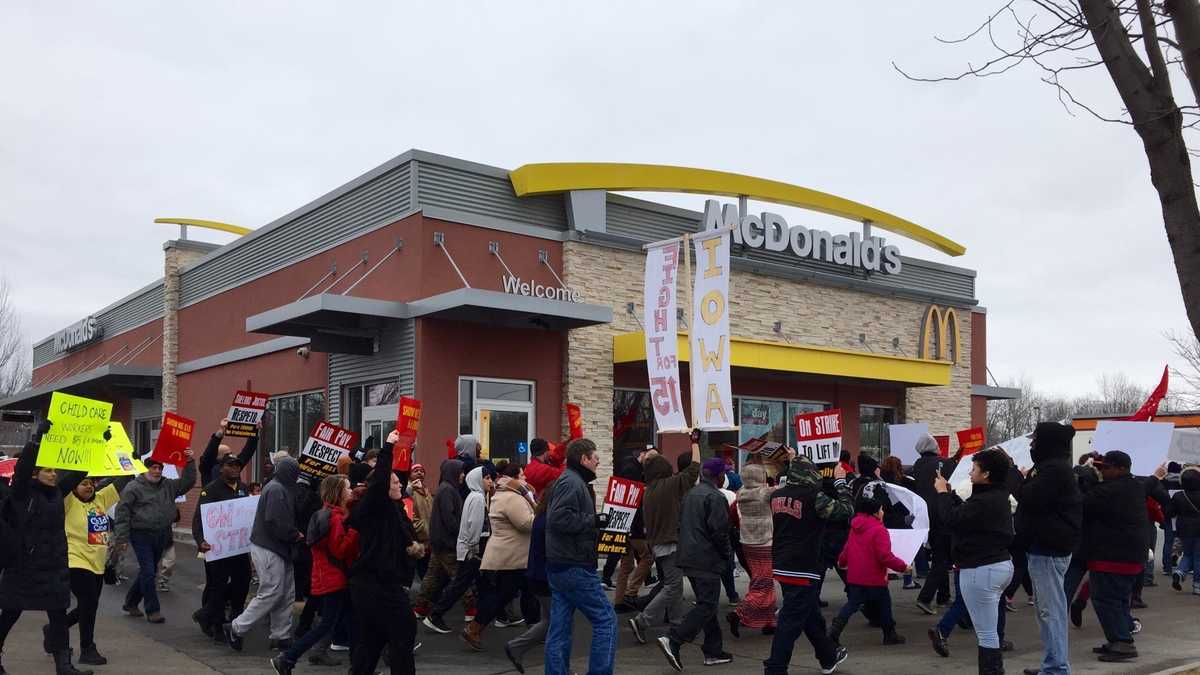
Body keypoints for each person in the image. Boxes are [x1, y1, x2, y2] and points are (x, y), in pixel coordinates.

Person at [0, 420, 93, 675]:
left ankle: (64, 665)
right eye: (48, 470)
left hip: (53, 566)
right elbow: (23, 469)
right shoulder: (21, 493)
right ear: (35, 473)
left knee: (58, 616)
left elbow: (78, 473)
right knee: (10, 613)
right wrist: (36, 441)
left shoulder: (56, 492)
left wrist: (97, 445)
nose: (54, 474)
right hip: (24, 566)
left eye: (54, 471)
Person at [763, 453, 852, 675]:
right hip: (805, 565)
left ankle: (827, 657)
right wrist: (841, 482)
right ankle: (775, 668)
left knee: (810, 615)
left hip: (783, 563)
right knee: (790, 621)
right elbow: (846, 511)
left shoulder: (777, 496)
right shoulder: (814, 496)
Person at [345, 430, 424, 674]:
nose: (401, 483)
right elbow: (381, 481)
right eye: (395, 483)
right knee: (402, 633)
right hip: (376, 584)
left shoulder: (392, 506)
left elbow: (394, 475)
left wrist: (407, 449)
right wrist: (388, 447)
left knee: (372, 642)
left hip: (378, 584)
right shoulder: (373, 506)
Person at [933, 448, 1014, 675]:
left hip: (981, 569)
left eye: (974, 468)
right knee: (990, 629)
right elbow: (966, 513)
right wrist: (949, 495)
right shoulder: (996, 496)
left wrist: (941, 494)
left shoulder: (986, 500)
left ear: (986, 473)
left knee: (986, 633)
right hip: (996, 566)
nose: (970, 473)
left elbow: (951, 519)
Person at [271, 474, 359, 674]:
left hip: (328, 576)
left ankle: (360, 666)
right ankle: (287, 657)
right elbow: (339, 550)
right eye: (347, 488)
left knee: (349, 620)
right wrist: (354, 532)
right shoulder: (336, 519)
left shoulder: (325, 514)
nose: (351, 490)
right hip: (335, 577)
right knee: (328, 623)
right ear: (338, 493)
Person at [1013, 422, 1081, 675]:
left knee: (1050, 611)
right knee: (1048, 611)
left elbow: (1031, 498)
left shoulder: (1054, 470)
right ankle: (1053, 663)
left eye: (1035, 440)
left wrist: (1016, 480)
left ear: (1047, 443)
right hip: (1043, 546)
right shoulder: (1049, 468)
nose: (1031, 445)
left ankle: (1057, 668)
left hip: (1049, 549)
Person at [544, 438, 616, 675]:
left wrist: (593, 520)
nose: (598, 462)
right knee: (606, 620)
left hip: (560, 564)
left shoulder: (571, 481)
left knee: (560, 627)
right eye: (595, 457)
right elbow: (558, 519)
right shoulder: (571, 483)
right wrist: (593, 521)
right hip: (573, 565)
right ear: (584, 459)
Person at [1079, 451, 1159, 663]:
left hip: (1112, 556)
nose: (1103, 471)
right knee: (1120, 600)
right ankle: (1119, 639)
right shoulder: (1134, 487)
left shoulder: (1110, 490)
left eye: (1106, 467)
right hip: (1130, 555)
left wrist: (1085, 476)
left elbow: (1083, 503)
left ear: (1121, 468)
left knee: (1106, 600)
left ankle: (1121, 641)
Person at [656, 457, 735, 670]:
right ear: (719, 476)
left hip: (689, 556)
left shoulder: (690, 494)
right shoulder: (715, 497)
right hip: (706, 557)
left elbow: (682, 525)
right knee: (707, 605)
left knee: (705, 604)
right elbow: (719, 532)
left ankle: (713, 650)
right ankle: (674, 638)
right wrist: (727, 555)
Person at [223, 456, 304, 651]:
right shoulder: (277, 490)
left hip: (276, 546)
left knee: (285, 593)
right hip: (270, 547)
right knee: (272, 591)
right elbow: (275, 521)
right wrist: (295, 535)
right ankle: (236, 627)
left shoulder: (277, 487)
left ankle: (280, 635)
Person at [628, 433, 701, 644]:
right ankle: (643, 621)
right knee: (673, 586)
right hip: (669, 544)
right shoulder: (668, 486)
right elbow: (694, 469)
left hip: (658, 544)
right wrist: (695, 442)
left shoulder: (650, 490)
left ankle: (678, 624)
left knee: (672, 585)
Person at [115, 450, 198, 624]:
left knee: (149, 570)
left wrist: (189, 461)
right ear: (145, 469)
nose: (157, 471)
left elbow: (188, 482)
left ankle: (130, 603)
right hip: (141, 534)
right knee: (148, 571)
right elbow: (122, 514)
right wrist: (121, 539)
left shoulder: (168, 485)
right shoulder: (133, 488)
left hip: (161, 534)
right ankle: (153, 610)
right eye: (153, 468)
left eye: (160, 468)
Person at [61, 468, 132, 667]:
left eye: (91, 483)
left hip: (98, 563)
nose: (89, 486)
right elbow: (63, 483)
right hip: (75, 560)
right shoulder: (68, 501)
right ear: (74, 486)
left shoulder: (100, 499)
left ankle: (56, 629)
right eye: (84, 483)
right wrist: (81, 465)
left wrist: (130, 463)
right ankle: (87, 649)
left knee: (89, 605)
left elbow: (122, 481)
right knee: (89, 603)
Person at [465, 462, 536, 650]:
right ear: (513, 478)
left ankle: (536, 628)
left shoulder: (512, 494)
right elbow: (526, 523)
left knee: (526, 592)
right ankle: (474, 628)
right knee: (500, 596)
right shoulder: (511, 497)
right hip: (509, 558)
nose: (525, 478)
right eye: (522, 475)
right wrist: (542, 516)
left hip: (514, 556)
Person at [828, 495, 908, 647]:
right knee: (884, 603)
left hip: (855, 576)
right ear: (875, 513)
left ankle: (834, 631)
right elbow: (885, 557)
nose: (883, 512)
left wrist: (841, 561)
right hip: (875, 577)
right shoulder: (879, 530)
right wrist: (903, 567)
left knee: (851, 604)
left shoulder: (855, 527)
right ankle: (889, 634)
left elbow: (847, 548)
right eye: (881, 510)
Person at [424, 464, 494, 633]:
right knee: (459, 585)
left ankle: (480, 617)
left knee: (464, 583)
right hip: (471, 550)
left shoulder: (473, 495)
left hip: (466, 548)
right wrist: (474, 548)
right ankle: (436, 615)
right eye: (487, 478)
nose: (490, 482)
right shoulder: (477, 498)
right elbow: (474, 525)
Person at [192, 454, 253, 641]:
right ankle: (215, 623)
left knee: (242, 583)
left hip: (239, 548)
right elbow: (198, 519)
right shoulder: (210, 490)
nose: (235, 469)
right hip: (217, 548)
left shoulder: (243, 489)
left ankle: (233, 622)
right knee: (217, 587)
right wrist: (200, 540)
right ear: (221, 468)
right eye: (231, 465)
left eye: (238, 466)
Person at [505, 479, 556, 674]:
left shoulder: (540, 517)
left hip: (537, 575)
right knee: (556, 623)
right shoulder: (547, 520)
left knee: (548, 620)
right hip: (545, 577)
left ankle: (516, 647)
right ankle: (517, 647)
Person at [727, 463, 776, 638]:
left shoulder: (740, 494)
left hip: (747, 543)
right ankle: (739, 614)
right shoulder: (764, 493)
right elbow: (784, 488)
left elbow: (732, 516)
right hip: (765, 543)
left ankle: (769, 622)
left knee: (760, 580)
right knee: (763, 583)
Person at [413, 459, 465, 618]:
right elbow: (449, 518)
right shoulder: (448, 490)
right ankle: (471, 610)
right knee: (461, 577)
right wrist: (460, 532)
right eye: (461, 472)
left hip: (438, 541)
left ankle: (420, 608)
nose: (463, 475)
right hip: (446, 542)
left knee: (433, 576)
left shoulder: (443, 489)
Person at [912, 434, 952, 613]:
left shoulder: (916, 467)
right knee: (942, 560)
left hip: (925, 516)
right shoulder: (945, 464)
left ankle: (943, 597)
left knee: (939, 556)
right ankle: (925, 597)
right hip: (942, 513)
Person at [612, 453, 652, 611]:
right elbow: (637, 504)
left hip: (621, 525)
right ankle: (630, 593)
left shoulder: (624, 470)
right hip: (634, 527)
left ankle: (619, 601)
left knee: (625, 564)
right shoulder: (634, 474)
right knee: (647, 558)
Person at [880, 456, 922, 590]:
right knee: (906, 551)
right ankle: (908, 580)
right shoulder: (906, 482)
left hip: (886, 520)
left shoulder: (880, 483)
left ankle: (888, 573)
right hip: (904, 520)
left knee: (887, 549)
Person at [198, 417, 261, 486]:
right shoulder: (207, 468)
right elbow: (209, 453)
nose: (231, 456)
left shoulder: (235, 466)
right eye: (228, 454)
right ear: (218, 457)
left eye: (231, 453)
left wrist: (255, 432)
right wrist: (220, 432)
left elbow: (247, 452)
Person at [1170, 465, 1200, 594]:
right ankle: (1197, 584)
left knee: (1187, 554)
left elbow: (1170, 512)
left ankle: (1180, 571)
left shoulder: (1178, 495)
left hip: (1183, 529)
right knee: (1198, 557)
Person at [406, 463, 433, 581]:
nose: (419, 472)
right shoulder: (409, 491)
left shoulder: (426, 491)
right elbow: (409, 516)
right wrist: (422, 528)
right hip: (418, 539)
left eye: (422, 470)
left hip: (429, 540)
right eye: (415, 470)